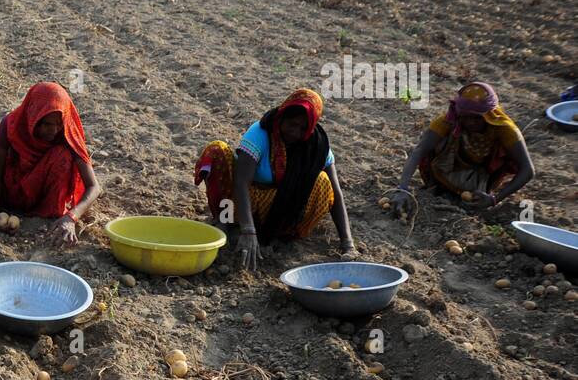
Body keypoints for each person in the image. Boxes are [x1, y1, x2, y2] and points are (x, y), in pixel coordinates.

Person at [194, 88, 355, 271]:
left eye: (303, 128)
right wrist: (248, 230)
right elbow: (241, 182)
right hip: (242, 203)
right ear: (282, 117)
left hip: (281, 208)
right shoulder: (261, 132)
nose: (295, 132)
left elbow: (337, 194)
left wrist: (348, 244)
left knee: (322, 181)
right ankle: (226, 222)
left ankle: (282, 234)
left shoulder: (316, 145)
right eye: (292, 124)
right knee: (218, 151)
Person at [0, 81, 100, 245]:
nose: (54, 130)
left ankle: (43, 213)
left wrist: (71, 217)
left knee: (63, 155)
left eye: (58, 124)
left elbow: (94, 187)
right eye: (47, 125)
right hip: (10, 186)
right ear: (33, 117)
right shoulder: (12, 124)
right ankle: (6, 206)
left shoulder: (66, 133)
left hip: (40, 196)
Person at [390, 82, 534, 217]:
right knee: (437, 141)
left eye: (477, 118)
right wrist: (403, 189)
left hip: (482, 174)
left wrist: (494, 199)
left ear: (488, 115)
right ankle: (439, 185)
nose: (471, 122)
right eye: (466, 117)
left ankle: (477, 194)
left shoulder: (505, 129)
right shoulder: (449, 120)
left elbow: (527, 170)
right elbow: (419, 151)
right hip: (448, 167)